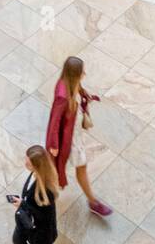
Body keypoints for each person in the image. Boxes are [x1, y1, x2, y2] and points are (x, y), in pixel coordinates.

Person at [46, 55, 112, 218]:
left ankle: (47, 190)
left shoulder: (70, 83)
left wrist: (86, 96)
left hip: (74, 133)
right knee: (77, 167)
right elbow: (55, 120)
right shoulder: (62, 95)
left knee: (58, 167)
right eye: (82, 72)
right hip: (69, 139)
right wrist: (54, 144)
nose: (85, 74)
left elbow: (78, 89)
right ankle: (93, 202)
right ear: (75, 74)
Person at [10, 145, 59, 244]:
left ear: (36, 166)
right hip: (26, 222)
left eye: (28, 161)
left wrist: (23, 204)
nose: (25, 162)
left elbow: (44, 217)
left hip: (40, 233)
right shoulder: (34, 174)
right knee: (18, 240)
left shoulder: (46, 191)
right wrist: (23, 202)